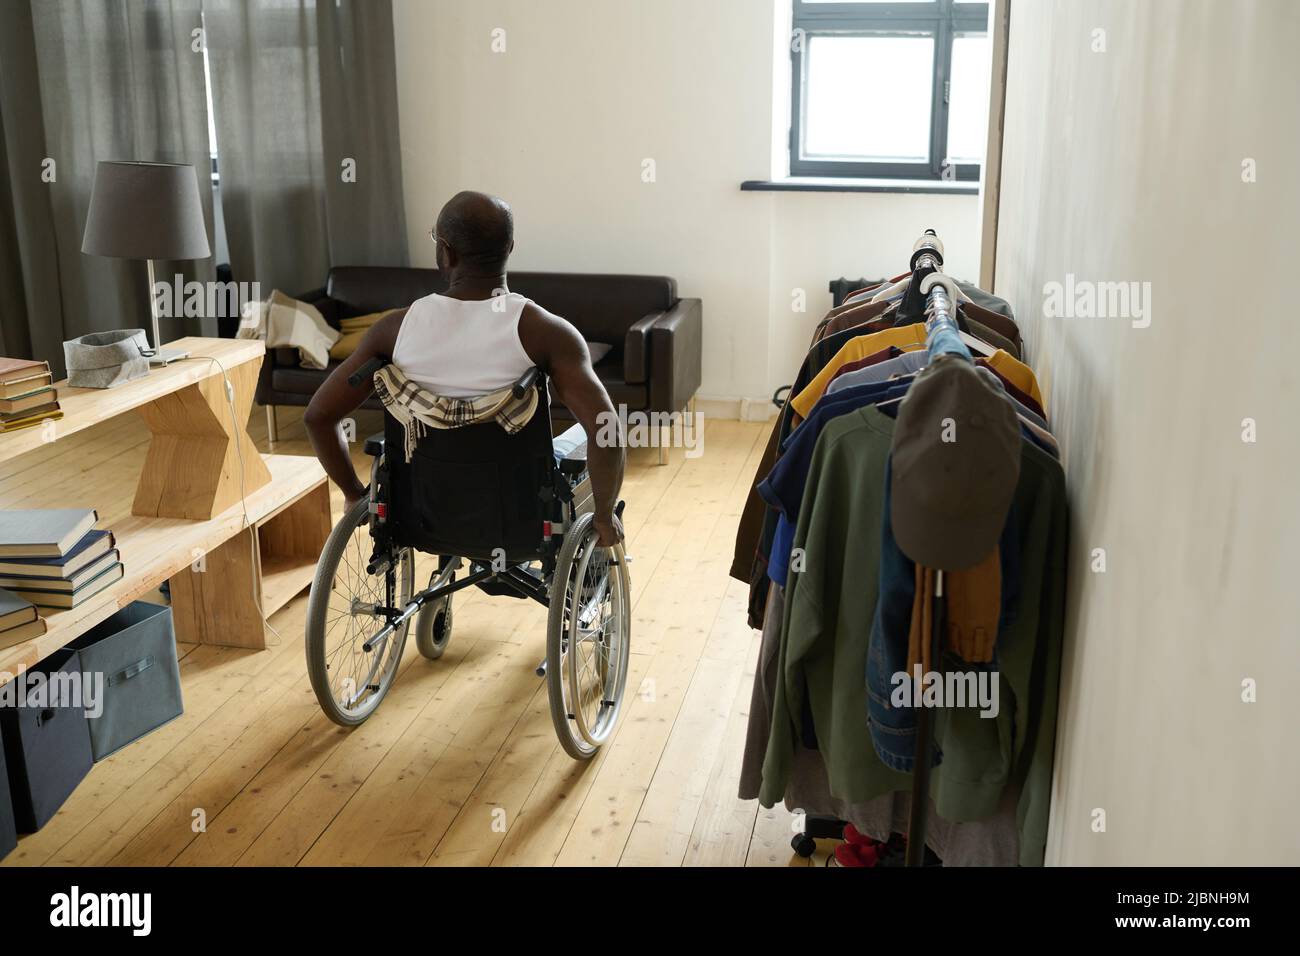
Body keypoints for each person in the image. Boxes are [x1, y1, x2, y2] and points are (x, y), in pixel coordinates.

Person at [303, 190, 626, 547]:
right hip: (519, 517)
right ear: (510, 248)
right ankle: (593, 580)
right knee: (585, 433)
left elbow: (318, 415)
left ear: (446, 252)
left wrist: (352, 492)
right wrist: (604, 513)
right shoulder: (546, 332)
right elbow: (605, 429)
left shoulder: (394, 329)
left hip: (421, 512)